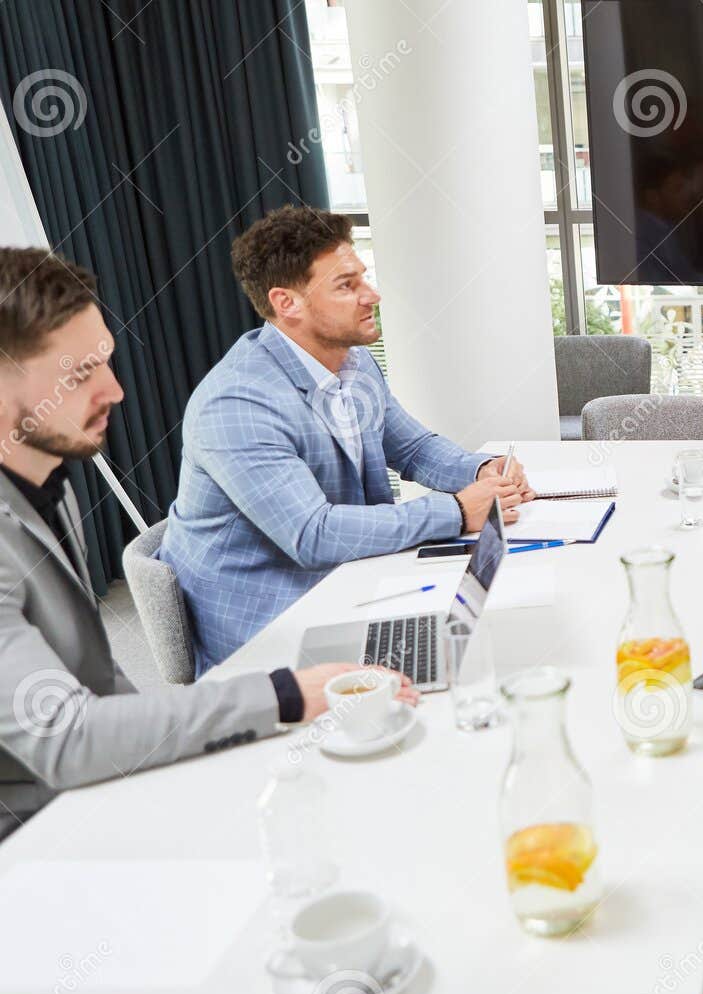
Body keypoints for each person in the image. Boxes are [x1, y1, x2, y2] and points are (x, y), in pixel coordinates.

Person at [0, 248, 413, 839]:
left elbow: (96, 676)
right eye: (78, 373)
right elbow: (65, 734)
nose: (115, 392)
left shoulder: (49, 475)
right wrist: (282, 695)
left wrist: (175, 765)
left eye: (107, 363)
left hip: (94, 793)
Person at [159, 207, 532, 675]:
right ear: (286, 302)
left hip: (349, 579)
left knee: (499, 627)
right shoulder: (237, 404)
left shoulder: (353, 362)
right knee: (475, 661)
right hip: (270, 626)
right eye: (346, 285)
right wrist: (456, 510)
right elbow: (312, 535)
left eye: (363, 278)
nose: (371, 295)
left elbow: (413, 448)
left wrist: (480, 470)